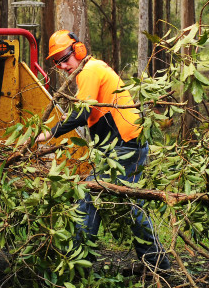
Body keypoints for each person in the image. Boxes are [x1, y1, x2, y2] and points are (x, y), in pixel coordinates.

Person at [36, 30, 170, 270]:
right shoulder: (91, 70)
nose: (63, 65)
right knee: (127, 204)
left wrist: (50, 133)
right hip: (123, 145)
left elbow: (82, 113)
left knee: (90, 196)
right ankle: (155, 263)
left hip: (123, 146)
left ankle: (79, 262)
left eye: (65, 58)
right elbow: (88, 111)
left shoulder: (89, 70)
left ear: (78, 51)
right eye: (57, 62)